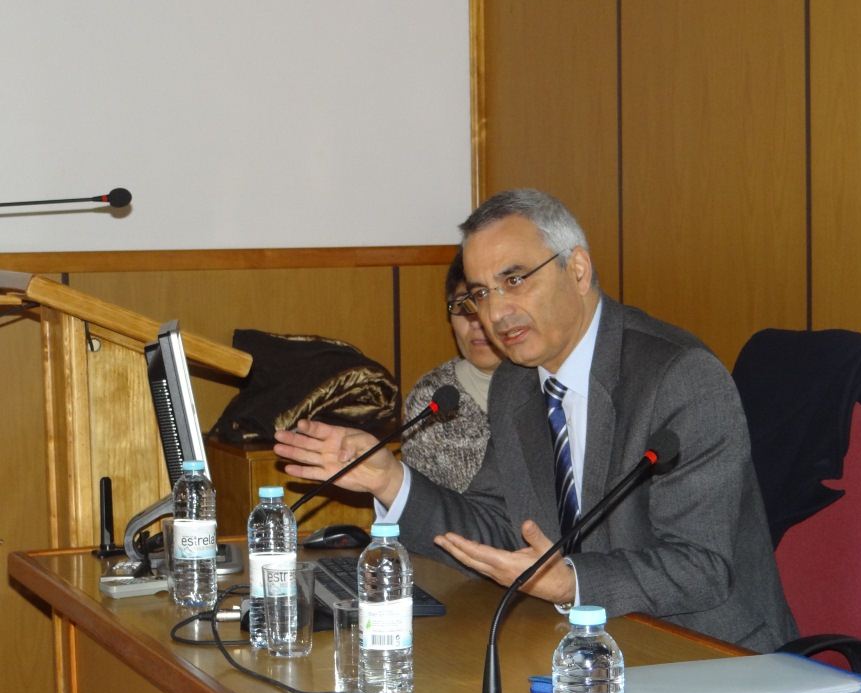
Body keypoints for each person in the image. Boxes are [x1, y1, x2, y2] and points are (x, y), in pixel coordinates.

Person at [275, 189, 797, 652]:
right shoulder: (517, 383)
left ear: (577, 269)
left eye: (515, 280)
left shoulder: (678, 377)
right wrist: (392, 479)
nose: (496, 313)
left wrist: (572, 581)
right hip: (591, 647)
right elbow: (500, 526)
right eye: (480, 293)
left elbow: (702, 568)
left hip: (708, 652)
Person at [401, 250, 503, 492]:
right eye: (463, 305)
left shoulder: (549, 382)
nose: (477, 322)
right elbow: (419, 507)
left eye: (485, 302)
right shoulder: (432, 398)